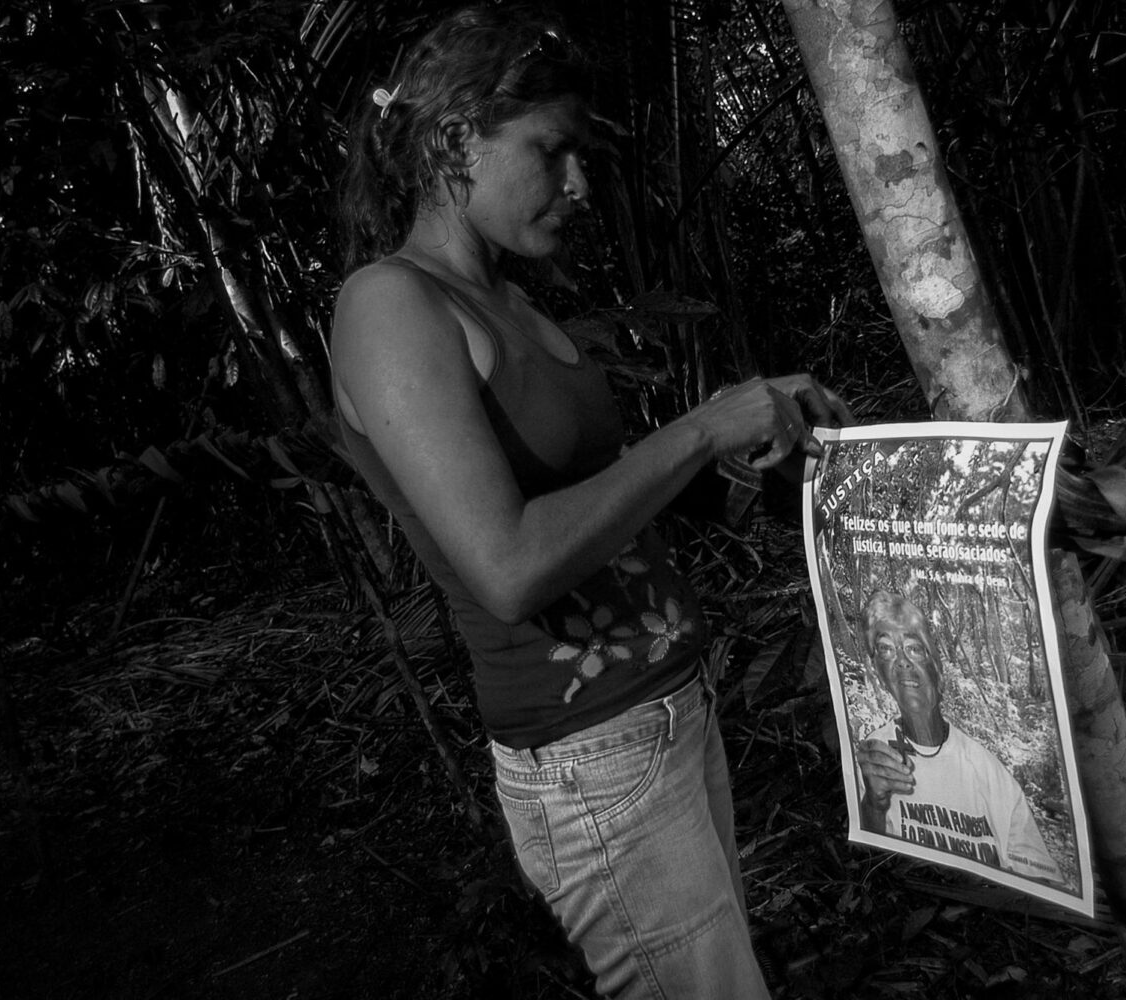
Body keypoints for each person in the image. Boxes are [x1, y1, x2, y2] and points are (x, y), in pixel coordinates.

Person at [331, 6, 851, 997]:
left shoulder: (511, 301)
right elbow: (511, 565)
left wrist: (767, 463)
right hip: (590, 755)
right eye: (552, 151)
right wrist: (701, 426)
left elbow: (612, 506)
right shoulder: (389, 305)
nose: (579, 184)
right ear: (455, 141)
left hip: (665, 717)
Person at [853, 591, 1060, 882]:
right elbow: (867, 868)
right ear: (879, 673)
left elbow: (1038, 878)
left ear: (936, 667)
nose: (900, 661)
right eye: (886, 649)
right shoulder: (874, 757)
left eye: (913, 648)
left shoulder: (986, 771)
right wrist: (874, 805)